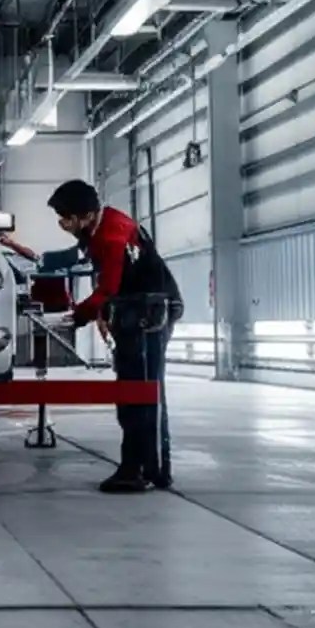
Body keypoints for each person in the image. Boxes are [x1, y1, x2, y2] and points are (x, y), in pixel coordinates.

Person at [46, 179, 183, 493]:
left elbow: (108, 288)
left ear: (86, 215)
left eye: (66, 217)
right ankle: (142, 467)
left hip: (151, 311)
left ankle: (147, 470)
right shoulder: (101, 229)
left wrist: (75, 317)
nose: (63, 224)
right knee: (131, 390)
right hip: (135, 309)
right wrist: (103, 313)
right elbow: (114, 288)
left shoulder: (111, 235)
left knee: (142, 391)